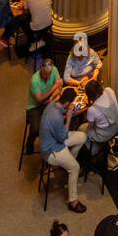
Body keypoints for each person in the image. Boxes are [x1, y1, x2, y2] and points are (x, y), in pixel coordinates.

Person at [40, 80, 88, 214]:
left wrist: (66, 113)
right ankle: (73, 201)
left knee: (82, 137)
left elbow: (61, 132)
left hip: (56, 138)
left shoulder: (52, 105)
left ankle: (66, 164)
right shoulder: (56, 117)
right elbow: (62, 137)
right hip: (51, 149)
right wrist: (69, 117)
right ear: (68, 103)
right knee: (75, 167)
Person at [81, 78, 118, 179]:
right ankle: (104, 148)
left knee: (81, 128)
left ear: (90, 95)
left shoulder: (92, 109)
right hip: (117, 126)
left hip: (104, 135)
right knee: (94, 125)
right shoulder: (109, 90)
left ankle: (89, 157)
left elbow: (90, 126)